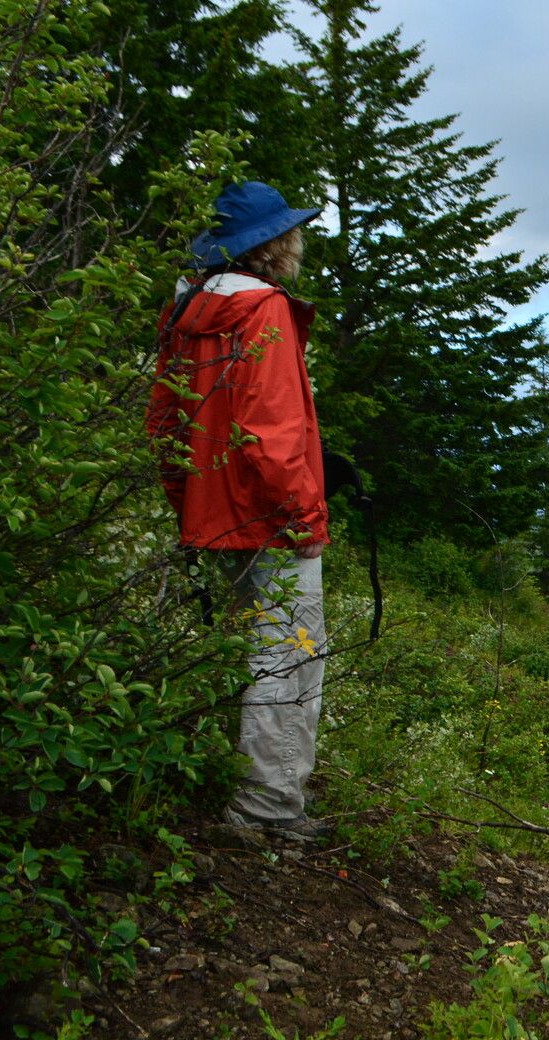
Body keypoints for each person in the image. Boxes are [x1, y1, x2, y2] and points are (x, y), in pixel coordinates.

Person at [146, 181, 331, 840]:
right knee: (288, 658)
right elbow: (273, 433)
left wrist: (187, 506)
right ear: (275, 244)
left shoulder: (186, 312)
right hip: (272, 525)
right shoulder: (264, 314)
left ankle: (221, 781)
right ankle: (267, 809)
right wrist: (305, 520)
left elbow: (165, 423)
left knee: (233, 652)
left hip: (212, 517)